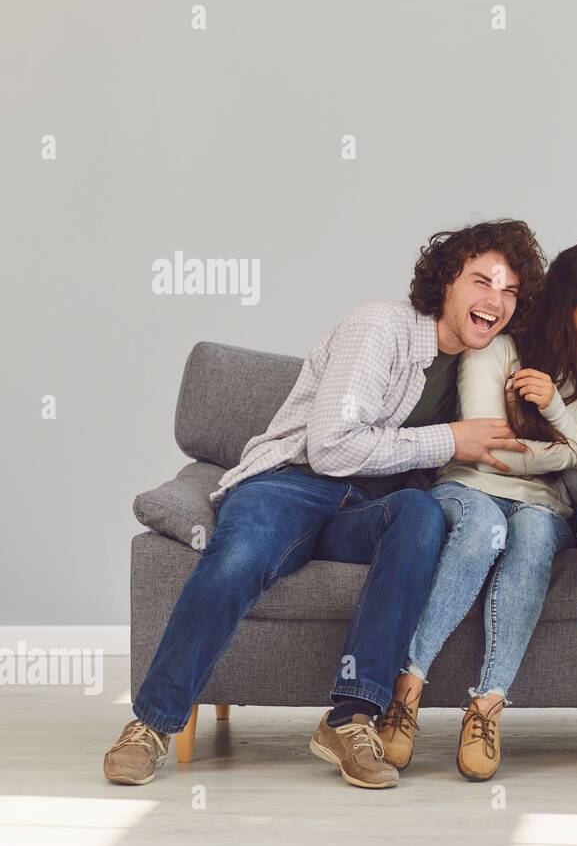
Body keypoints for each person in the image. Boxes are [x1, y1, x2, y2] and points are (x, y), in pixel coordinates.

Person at [104, 220, 546, 789]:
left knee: (420, 513)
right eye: (482, 281)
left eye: (510, 291)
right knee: (241, 554)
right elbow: (332, 447)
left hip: (366, 507)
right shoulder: (381, 327)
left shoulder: (481, 363)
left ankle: (351, 719)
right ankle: (152, 723)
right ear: (446, 282)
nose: (495, 301)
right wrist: (451, 439)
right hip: (293, 481)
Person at [376, 243, 577, 781]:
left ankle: (487, 707)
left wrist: (556, 410)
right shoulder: (493, 349)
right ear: (569, 303)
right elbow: (491, 450)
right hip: (469, 486)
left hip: (543, 505)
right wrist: (559, 448)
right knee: (485, 527)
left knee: (537, 539)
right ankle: (407, 688)